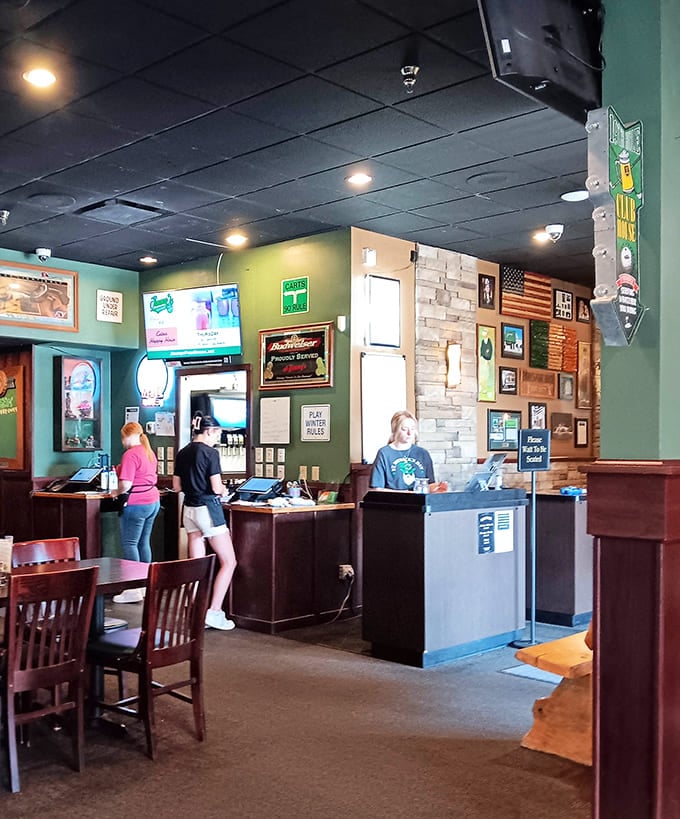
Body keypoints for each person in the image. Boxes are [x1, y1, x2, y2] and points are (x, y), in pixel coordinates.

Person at [172, 413, 237, 631]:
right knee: (229, 562)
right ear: (209, 431)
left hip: (188, 510)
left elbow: (177, 487)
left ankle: (195, 610)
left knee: (196, 564)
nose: (218, 437)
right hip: (208, 510)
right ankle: (215, 612)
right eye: (217, 433)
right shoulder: (211, 453)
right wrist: (224, 490)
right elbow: (217, 488)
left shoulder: (182, 453)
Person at [112, 421, 161, 604]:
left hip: (136, 503)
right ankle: (146, 585)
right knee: (143, 543)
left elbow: (126, 484)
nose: (122, 441)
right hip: (153, 501)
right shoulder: (149, 452)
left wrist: (115, 492)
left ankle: (133, 589)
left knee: (130, 544)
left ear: (127, 435)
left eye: (122, 437)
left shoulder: (130, 454)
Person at [370, 410, 435, 491]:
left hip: (419, 502)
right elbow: (378, 489)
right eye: (404, 429)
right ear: (395, 430)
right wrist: (406, 494)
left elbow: (430, 485)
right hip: (394, 502)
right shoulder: (384, 453)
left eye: (412, 429)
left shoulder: (423, 454)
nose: (409, 433)